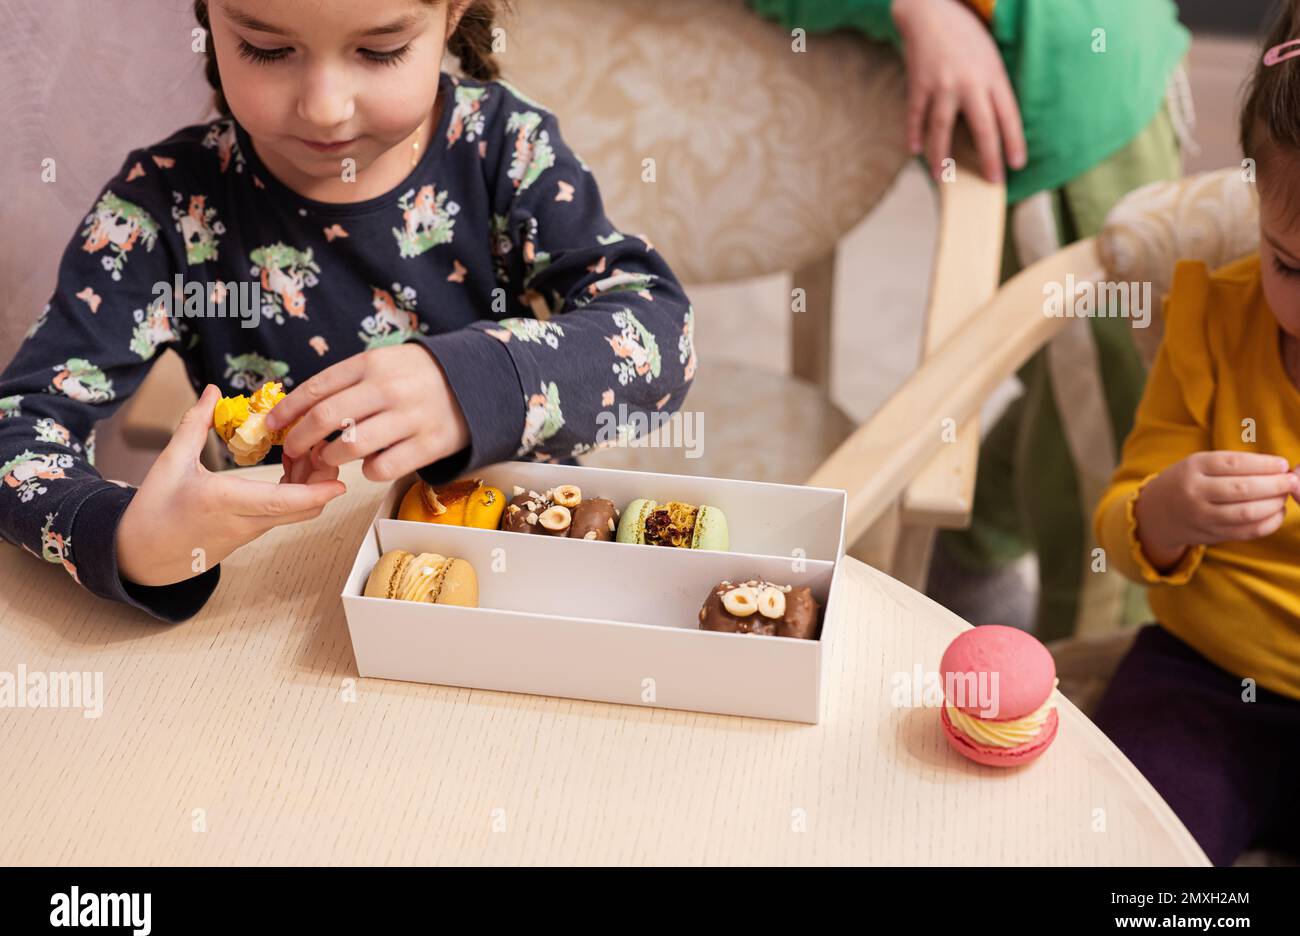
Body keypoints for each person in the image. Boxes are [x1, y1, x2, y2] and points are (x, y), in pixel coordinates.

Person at [0, 0, 694, 621]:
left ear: (452, 14)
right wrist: (124, 538)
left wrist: (472, 382)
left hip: (518, 575)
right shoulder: (164, 203)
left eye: (380, 49)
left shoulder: (505, 148)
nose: (325, 107)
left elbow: (660, 334)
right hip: (271, 604)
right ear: (209, 18)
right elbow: (17, 427)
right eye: (268, 50)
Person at [749, 0, 1190, 639]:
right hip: (1054, 110)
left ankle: (974, 551)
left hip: (1129, 62)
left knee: (1097, 396)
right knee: (1110, 433)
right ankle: (1081, 672)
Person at [1091, 1, 1300, 866]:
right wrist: (1167, 511)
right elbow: (1119, 520)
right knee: (1115, 843)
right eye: (1290, 264)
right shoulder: (1211, 320)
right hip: (1206, 680)